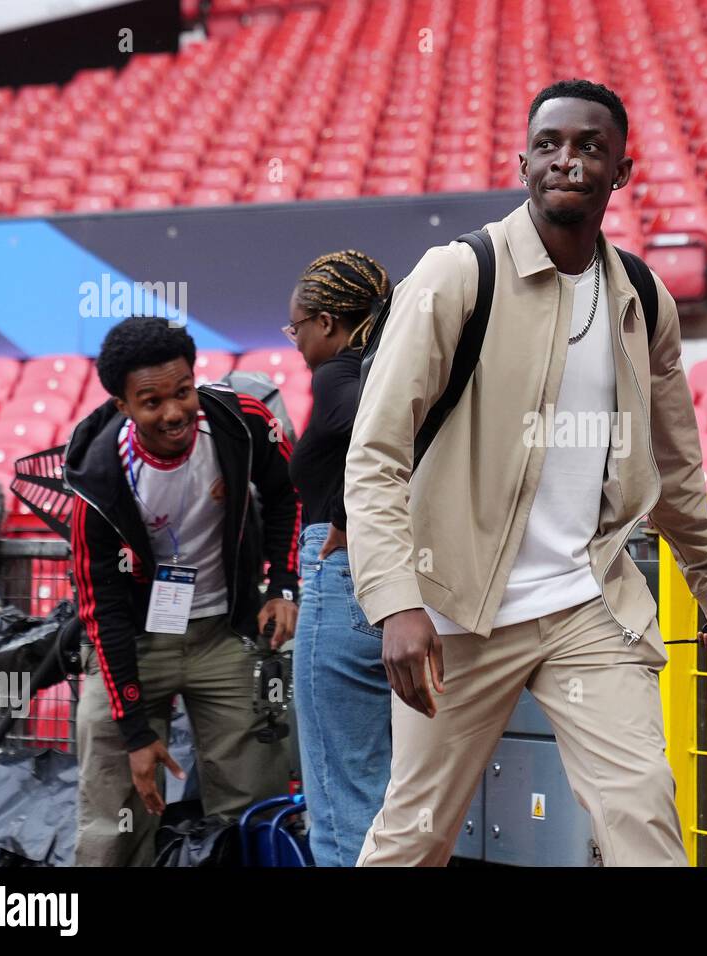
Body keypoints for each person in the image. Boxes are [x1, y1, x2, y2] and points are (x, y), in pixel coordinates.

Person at [344, 78, 707, 866]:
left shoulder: (641, 296)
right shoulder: (457, 275)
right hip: (458, 611)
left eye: (589, 146)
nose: (567, 160)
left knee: (644, 817)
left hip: (587, 606)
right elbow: (375, 454)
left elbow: (675, 466)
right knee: (417, 833)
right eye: (550, 145)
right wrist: (396, 602)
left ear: (622, 170)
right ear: (523, 161)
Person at [65, 316, 301, 866]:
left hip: (224, 634)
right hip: (132, 647)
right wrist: (133, 732)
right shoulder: (96, 480)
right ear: (123, 405)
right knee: (113, 820)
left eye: (183, 392)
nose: (173, 412)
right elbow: (101, 611)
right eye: (151, 402)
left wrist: (283, 585)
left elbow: (287, 493)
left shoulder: (242, 423)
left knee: (251, 805)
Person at [284, 250, 394, 867]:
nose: (296, 341)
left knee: (340, 799)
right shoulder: (396, 364)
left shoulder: (337, 375)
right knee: (398, 800)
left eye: (296, 327)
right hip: (411, 584)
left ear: (326, 323)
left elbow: (378, 428)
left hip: (345, 579)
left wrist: (351, 517)